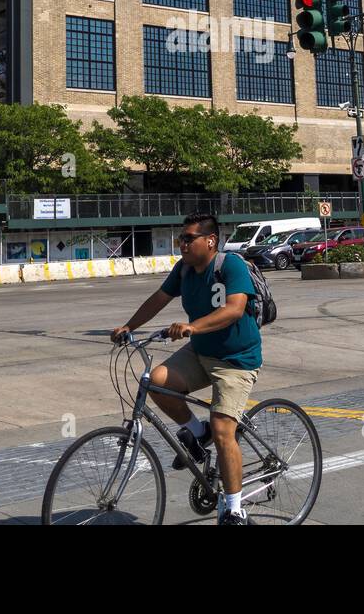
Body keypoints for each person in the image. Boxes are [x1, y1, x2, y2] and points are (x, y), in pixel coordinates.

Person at [111, 212, 262, 525]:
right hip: (200, 352)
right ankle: (197, 432)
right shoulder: (184, 269)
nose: (182, 244)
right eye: (181, 238)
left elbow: (235, 309)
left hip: (235, 360)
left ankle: (234, 509)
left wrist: (193, 326)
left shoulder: (229, 265)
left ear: (210, 241)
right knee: (157, 381)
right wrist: (129, 326)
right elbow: (159, 298)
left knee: (223, 431)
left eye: (189, 238)